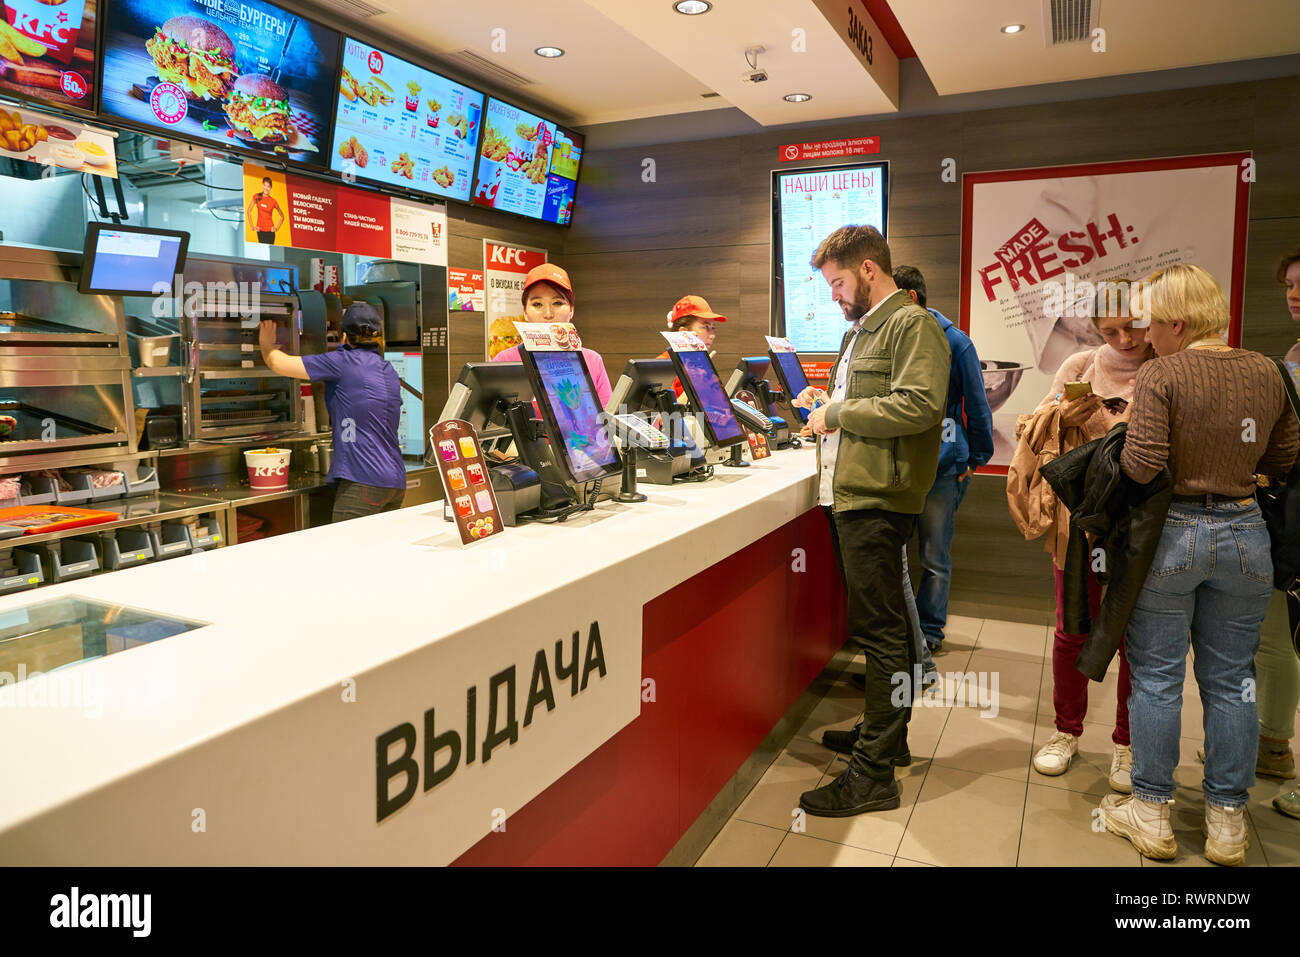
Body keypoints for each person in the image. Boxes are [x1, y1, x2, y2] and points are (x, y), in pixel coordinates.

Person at [1099, 264, 1298, 865]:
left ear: (1178, 323)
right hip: (1245, 535)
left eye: (1151, 323)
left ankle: (1153, 813)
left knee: (1158, 677)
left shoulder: (1162, 372)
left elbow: (1141, 463)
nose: (1146, 335)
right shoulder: (1267, 369)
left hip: (1174, 534)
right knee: (1232, 679)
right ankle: (1228, 822)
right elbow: (1286, 454)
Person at [792, 225, 950, 818]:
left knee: (881, 632)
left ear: (867, 269)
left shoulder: (912, 325)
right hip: (853, 492)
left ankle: (873, 774)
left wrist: (835, 410)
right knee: (887, 629)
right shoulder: (862, 331)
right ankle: (890, 738)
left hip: (878, 498)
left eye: (836, 282)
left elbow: (918, 404)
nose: (833, 295)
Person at [1008, 280, 1151, 792]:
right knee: (1072, 629)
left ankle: (1126, 742)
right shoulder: (1081, 366)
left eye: (1132, 326)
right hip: (1079, 523)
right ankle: (1066, 731)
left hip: (1141, 523)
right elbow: (1037, 426)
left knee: (1137, 638)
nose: (1125, 339)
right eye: (1110, 330)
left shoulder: (1166, 369)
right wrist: (1063, 415)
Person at [892, 265, 994, 653]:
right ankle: (903, 634)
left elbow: (977, 405)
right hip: (899, 465)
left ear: (912, 299)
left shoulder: (955, 342)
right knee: (896, 556)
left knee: (934, 554)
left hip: (943, 466)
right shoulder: (891, 338)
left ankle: (930, 633)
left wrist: (977, 457)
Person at [259, 302, 406, 523]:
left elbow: (279, 364)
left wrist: (266, 344)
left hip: (363, 480)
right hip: (395, 482)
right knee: (378, 553)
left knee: (346, 554)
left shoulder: (343, 361)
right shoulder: (387, 369)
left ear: (344, 337)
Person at [1262, 247, 1300, 819]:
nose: (1295, 293)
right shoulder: (1292, 353)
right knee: (1281, 629)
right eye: (1290, 283)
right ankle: (1272, 744)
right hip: (1287, 506)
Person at [493, 263, 612, 408]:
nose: (548, 314)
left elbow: (607, 420)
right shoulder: (504, 361)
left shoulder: (592, 360)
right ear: (524, 312)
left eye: (557, 303)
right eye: (537, 304)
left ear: (571, 310)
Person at [657, 294, 726, 399]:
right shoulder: (663, 365)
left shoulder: (699, 363)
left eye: (713, 327)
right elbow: (665, 415)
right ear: (683, 332)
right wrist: (698, 386)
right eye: (706, 327)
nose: (712, 335)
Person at [247, 176, 284, 245]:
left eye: (268, 186)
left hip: (270, 232)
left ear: (270, 188)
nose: (266, 188)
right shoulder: (257, 196)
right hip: (260, 230)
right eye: (264, 185)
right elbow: (248, 211)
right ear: (262, 185)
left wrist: (276, 228)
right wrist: (252, 226)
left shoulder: (273, 201)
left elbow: (282, 216)